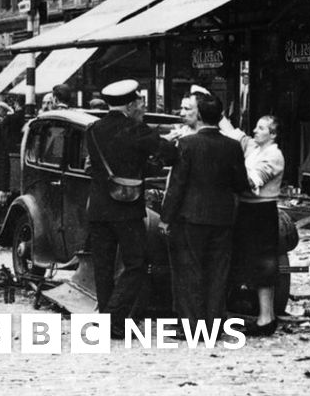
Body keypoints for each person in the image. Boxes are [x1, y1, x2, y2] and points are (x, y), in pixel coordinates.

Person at [86, 80, 177, 338]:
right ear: (129, 104)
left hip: (98, 209)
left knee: (103, 267)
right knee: (136, 263)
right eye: (138, 102)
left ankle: (111, 324)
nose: (141, 106)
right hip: (126, 209)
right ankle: (112, 317)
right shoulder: (137, 130)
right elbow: (169, 154)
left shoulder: (92, 130)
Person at [160, 93, 248, 331]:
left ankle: (191, 327)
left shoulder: (187, 145)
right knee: (218, 272)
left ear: (198, 115)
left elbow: (177, 186)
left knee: (189, 271)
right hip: (222, 217)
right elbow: (241, 184)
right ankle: (214, 325)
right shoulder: (232, 146)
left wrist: (166, 218)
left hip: (190, 218)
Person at [230, 115, 285, 336]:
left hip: (261, 211)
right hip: (247, 208)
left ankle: (266, 318)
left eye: (261, 128)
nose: (255, 130)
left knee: (264, 264)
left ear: (272, 134)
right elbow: (237, 134)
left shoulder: (274, 155)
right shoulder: (255, 149)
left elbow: (253, 181)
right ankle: (263, 316)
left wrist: (228, 172)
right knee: (251, 261)